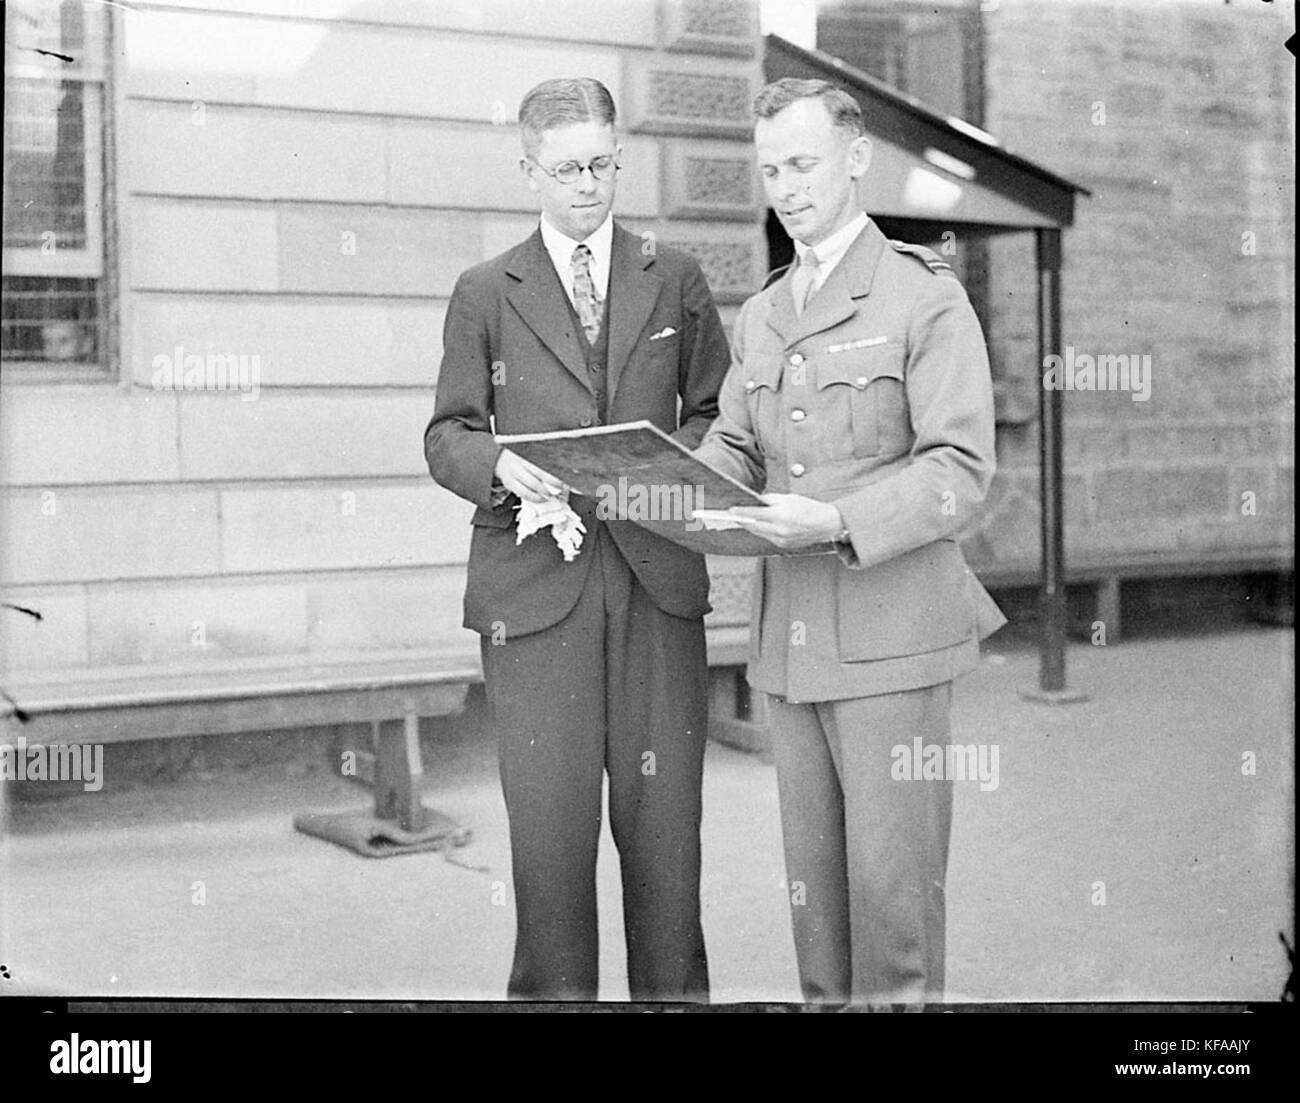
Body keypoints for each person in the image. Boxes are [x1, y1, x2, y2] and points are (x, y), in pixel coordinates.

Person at [694, 78, 1007, 1004]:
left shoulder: (922, 298)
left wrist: (836, 522)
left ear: (858, 159)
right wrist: (665, 479)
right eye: (769, 170)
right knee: (817, 915)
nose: (784, 187)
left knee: (893, 908)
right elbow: (739, 441)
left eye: (802, 164)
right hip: (791, 647)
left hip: (893, 643)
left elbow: (961, 469)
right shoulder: (763, 311)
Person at [425, 77, 729, 1001]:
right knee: (551, 848)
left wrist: (681, 473)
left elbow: (720, 413)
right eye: (566, 170)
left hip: (657, 587)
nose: (588, 186)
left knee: (666, 844)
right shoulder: (485, 291)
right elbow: (447, 436)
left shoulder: (673, 275)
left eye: (602, 164)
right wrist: (502, 467)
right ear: (529, 172)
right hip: (535, 596)